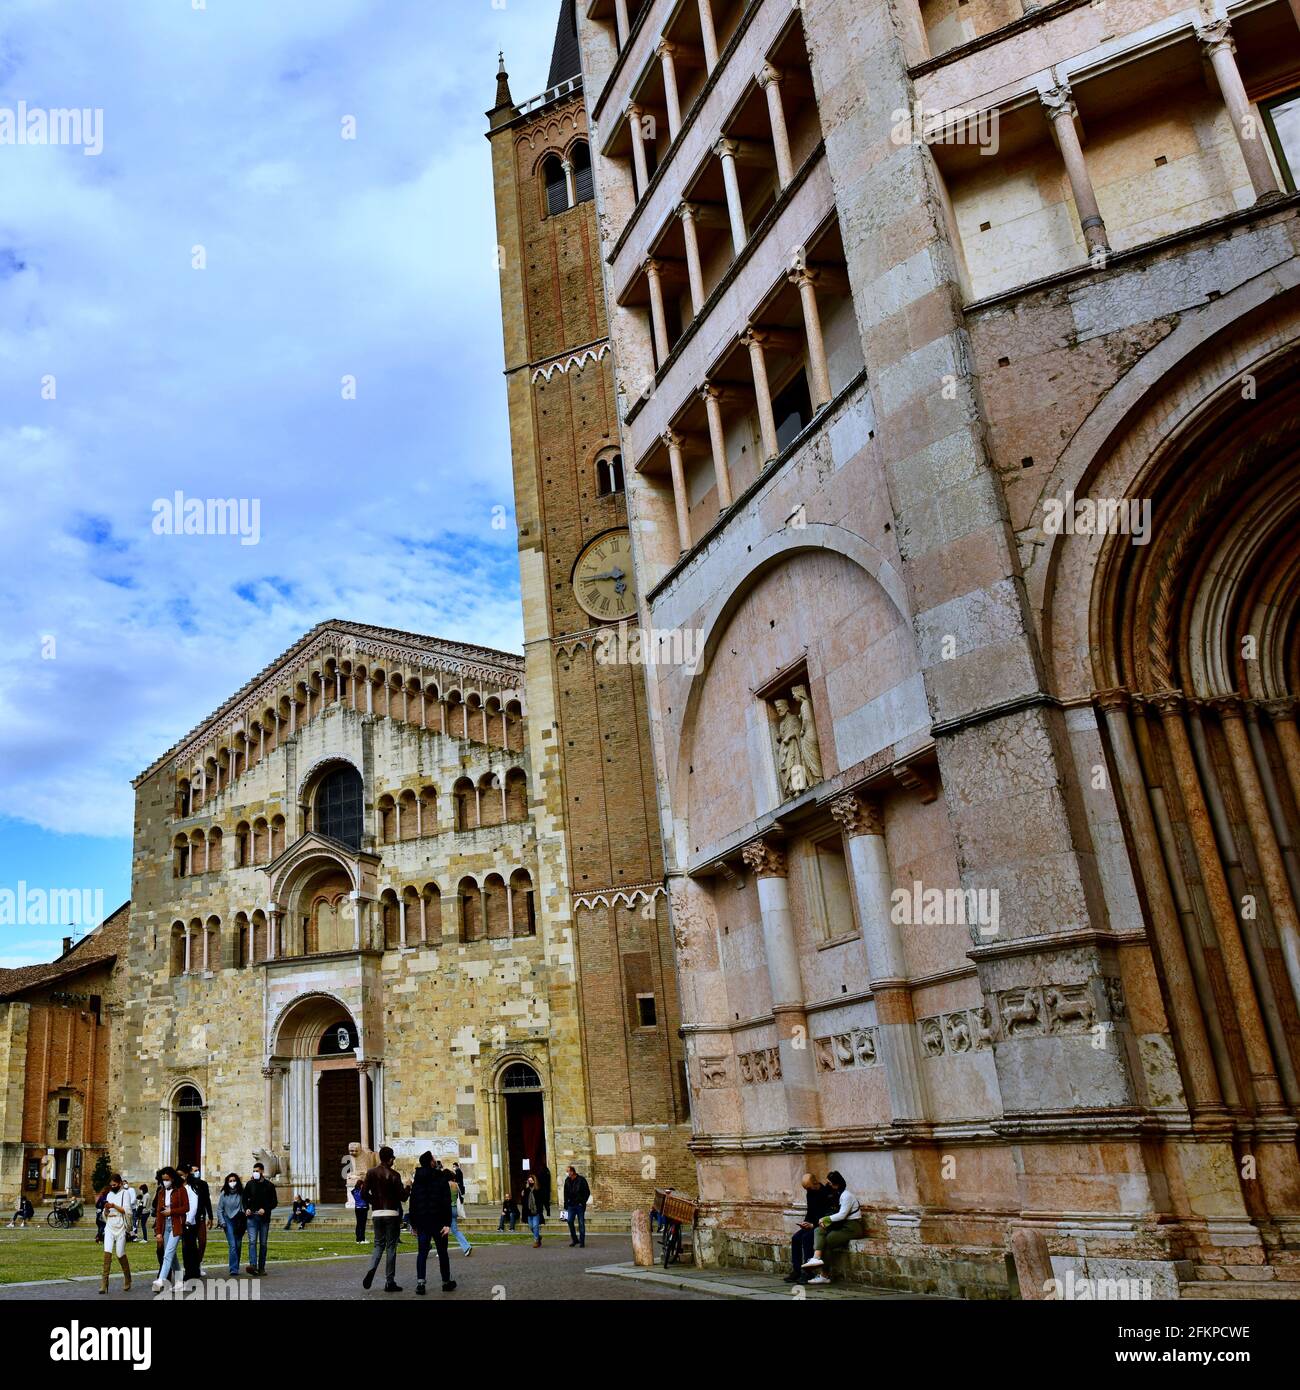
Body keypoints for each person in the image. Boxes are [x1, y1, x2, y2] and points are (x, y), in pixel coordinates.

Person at [800, 1170, 865, 1285]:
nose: (827, 1185)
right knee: (818, 1230)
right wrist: (824, 1221)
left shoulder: (846, 1195)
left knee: (828, 1240)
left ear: (837, 1183)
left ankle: (824, 1275)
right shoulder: (835, 1194)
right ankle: (816, 1258)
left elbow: (842, 1215)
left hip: (852, 1227)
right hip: (840, 1225)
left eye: (830, 1183)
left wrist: (826, 1219)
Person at [406, 1151, 457, 1296]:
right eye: (433, 1158)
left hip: (422, 1222)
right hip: (438, 1221)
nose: (435, 1160)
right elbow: (446, 1201)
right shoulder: (440, 1177)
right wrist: (447, 1223)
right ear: (430, 1162)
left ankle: (420, 1283)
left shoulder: (417, 1180)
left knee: (422, 1252)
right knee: (442, 1253)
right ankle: (446, 1282)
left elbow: (413, 1203)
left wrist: (413, 1224)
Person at [361, 1146, 406, 1293]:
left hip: (377, 1213)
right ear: (390, 1159)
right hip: (391, 1213)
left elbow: (363, 1194)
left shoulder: (371, 1172)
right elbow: (403, 1197)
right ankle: (390, 1281)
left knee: (378, 1245)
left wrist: (374, 1202)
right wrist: (409, 1187)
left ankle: (371, 1268)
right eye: (393, 1158)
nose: (394, 1160)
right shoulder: (394, 1175)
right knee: (391, 1246)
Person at [786, 1173, 835, 1284]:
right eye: (805, 1188)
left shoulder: (826, 1193)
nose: (807, 1190)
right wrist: (805, 1223)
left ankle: (808, 1272)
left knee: (807, 1238)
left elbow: (828, 1215)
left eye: (808, 1187)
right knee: (795, 1238)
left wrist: (813, 1225)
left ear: (815, 1182)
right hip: (812, 1224)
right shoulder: (810, 1193)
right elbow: (810, 1211)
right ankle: (797, 1270)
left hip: (822, 1226)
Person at [151, 1168, 187, 1293]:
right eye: (163, 1179)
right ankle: (179, 1280)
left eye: (167, 1179)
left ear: (172, 1178)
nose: (165, 1181)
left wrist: (172, 1211)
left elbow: (186, 1207)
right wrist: (158, 1231)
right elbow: (159, 1213)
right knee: (171, 1254)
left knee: (168, 1253)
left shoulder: (181, 1190)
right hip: (165, 1225)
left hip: (176, 1224)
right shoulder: (161, 1192)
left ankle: (161, 1279)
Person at [98, 1174, 134, 1294]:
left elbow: (127, 1210)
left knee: (120, 1253)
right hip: (110, 1225)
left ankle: (128, 1277)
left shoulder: (125, 1193)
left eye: (114, 1185)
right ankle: (104, 1282)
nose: (112, 1187)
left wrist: (114, 1206)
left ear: (119, 1183)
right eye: (111, 1185)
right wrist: (107, 1209)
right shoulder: (109, 1194)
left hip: (120, 1225)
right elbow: (105, 1213)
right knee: (107, 1252)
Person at [243, 1160, 278, 1277]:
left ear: (262, 1171)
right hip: (252, 1217)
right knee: (252, 1242)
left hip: (264, 1218)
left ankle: (261, 1267)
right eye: (253, 1171)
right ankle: (253, 1265)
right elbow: (244, 1199)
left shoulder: (269, 1185)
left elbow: (274, 1202)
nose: (255, 1173)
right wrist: (246, 1209)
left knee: (263, 1243)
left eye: (257, 1171)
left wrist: (265, 1209)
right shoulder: (249, 1184)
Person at [216, 1174, 247, 1277]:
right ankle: (233, 1269)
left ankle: (236, 1266)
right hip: (227, 1221)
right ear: (227, 1182)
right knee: (232, 1245)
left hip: (238, 1221)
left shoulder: (241, 1194)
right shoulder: (223, 1194)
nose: (232, 1182)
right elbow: (219, 1209)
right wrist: (222, 1222)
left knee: (238, 1245)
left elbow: (243, 1207)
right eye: (230, 1180)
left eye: (234, 1180)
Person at [181, 1164, 213, 1264]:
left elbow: (207, 1200)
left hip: (201, 1216)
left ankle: (198, 1262)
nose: (196, 1172)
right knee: (189, 1243)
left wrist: (210, 1216)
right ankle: (191, 1264)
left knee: (202, 1241)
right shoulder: (184, 1186)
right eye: (194, 1170)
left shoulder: (203, 1184)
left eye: (198, 1170)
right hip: (188, 1217)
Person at [179, 1165, 203, 1281]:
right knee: (188, 1247)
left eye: (181, 1174)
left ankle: (191, 1271)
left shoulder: (191, 1188)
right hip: (182, 1221)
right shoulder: (178, 1188)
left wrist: (189, 1220)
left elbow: (193, 1206)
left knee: (189, 1248)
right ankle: (192, 1271)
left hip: (190, 1222)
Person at [445, 1164, 471, 1258]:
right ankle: (466, 1246)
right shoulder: (456, 1185)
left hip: (447, 1210)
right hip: (455, 1208)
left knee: (443, 1230)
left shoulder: (446, 1184)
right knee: (455, 1230)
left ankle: (441, 1250)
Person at [562, 1165, 590, 1248]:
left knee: (581, 1223)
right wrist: (565, 1203)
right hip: (571, 1205)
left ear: (572, 1172)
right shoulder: (567, 1180)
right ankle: (575, 1240)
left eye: (568, 1171)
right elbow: (565, 1193)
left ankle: (582, 1241)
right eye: (567, 1171)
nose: (567, 1173)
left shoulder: (581, 1180)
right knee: (570, 1221)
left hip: (579, 1205)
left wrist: (582, 1201)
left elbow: (587, 1192)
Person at [522, 1173, 545, 1247]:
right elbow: (524, 1201)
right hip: (528, 1212)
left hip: (536, 1211)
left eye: (531, 1181)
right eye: (529, 1181)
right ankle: (538, 1236)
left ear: (534, 1181)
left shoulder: (538, 1190)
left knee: (535, 1226)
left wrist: (541, 1210)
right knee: (531, 1227)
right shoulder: (526, 1190)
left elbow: (541, 1200)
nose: (530, 1182)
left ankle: (536, 1241)